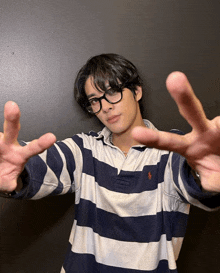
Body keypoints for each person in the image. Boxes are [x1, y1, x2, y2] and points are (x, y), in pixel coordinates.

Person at [1, 53, 220, 273]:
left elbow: (193, 179)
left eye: (112, 92)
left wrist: (202, 175)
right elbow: (41, 164)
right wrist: (16, 172)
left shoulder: (171, 152)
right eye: (94, 100)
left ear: (136, 91)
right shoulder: (85, 149)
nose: (104, 106)